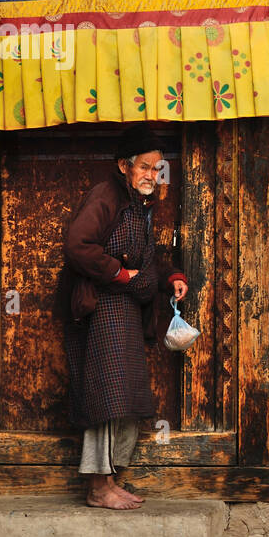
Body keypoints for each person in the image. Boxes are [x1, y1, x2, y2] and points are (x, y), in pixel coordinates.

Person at [59, 125, 189, 509]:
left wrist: (172, 278)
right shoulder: (107, 196)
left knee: (123, 399)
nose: (152, 175)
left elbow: (145, 260)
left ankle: (110, 480)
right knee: (106, 399)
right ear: (124, 166)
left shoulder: (140, 206)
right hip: (103, 310)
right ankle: (98, 488)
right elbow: (77, 245)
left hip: (126, 312)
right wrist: (116, 273)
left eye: (157, 168)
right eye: (145, 167)